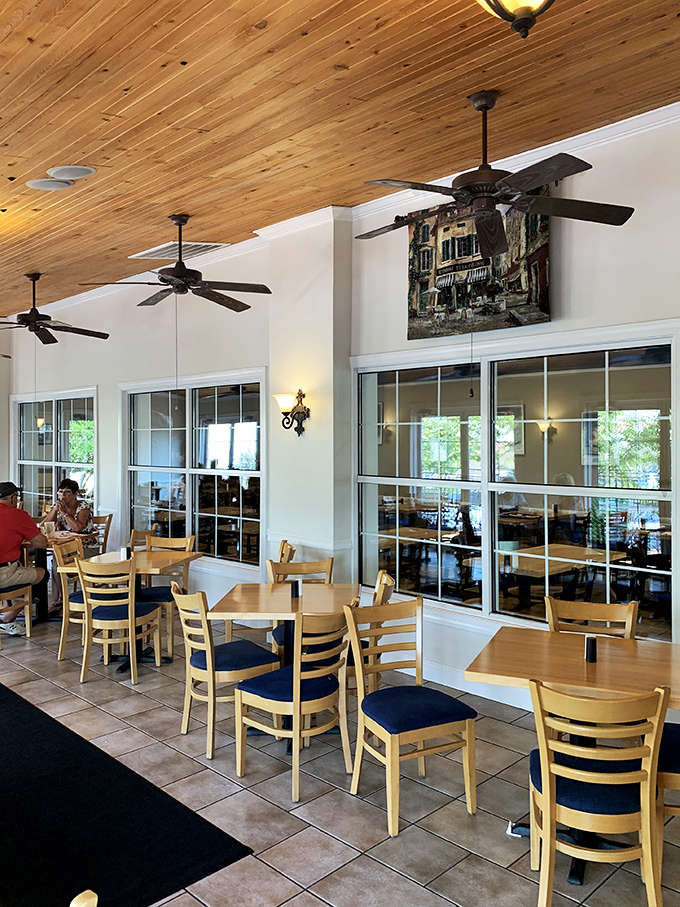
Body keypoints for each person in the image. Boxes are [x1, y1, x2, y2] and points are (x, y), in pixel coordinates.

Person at [0, 481, 48, 635]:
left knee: (22, 568)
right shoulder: (17, 515)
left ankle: (11, 609)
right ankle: (7, 618)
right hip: (4, 572)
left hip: (9, 569)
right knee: (42, 574)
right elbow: (41, 542)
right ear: (14, 498)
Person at [40, 478, 94, 612]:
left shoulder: (83, 506)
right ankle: (57, 600)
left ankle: (61, 599)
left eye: (67, 492)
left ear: (76, 494)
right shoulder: (57, 505)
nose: (63, 495)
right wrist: (54, 511)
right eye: (60, 492)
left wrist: (64, 513)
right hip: (65, 545)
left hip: (86, 545)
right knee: (56, 562)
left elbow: (77, 528)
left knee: (57, 562)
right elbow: (43, 526)